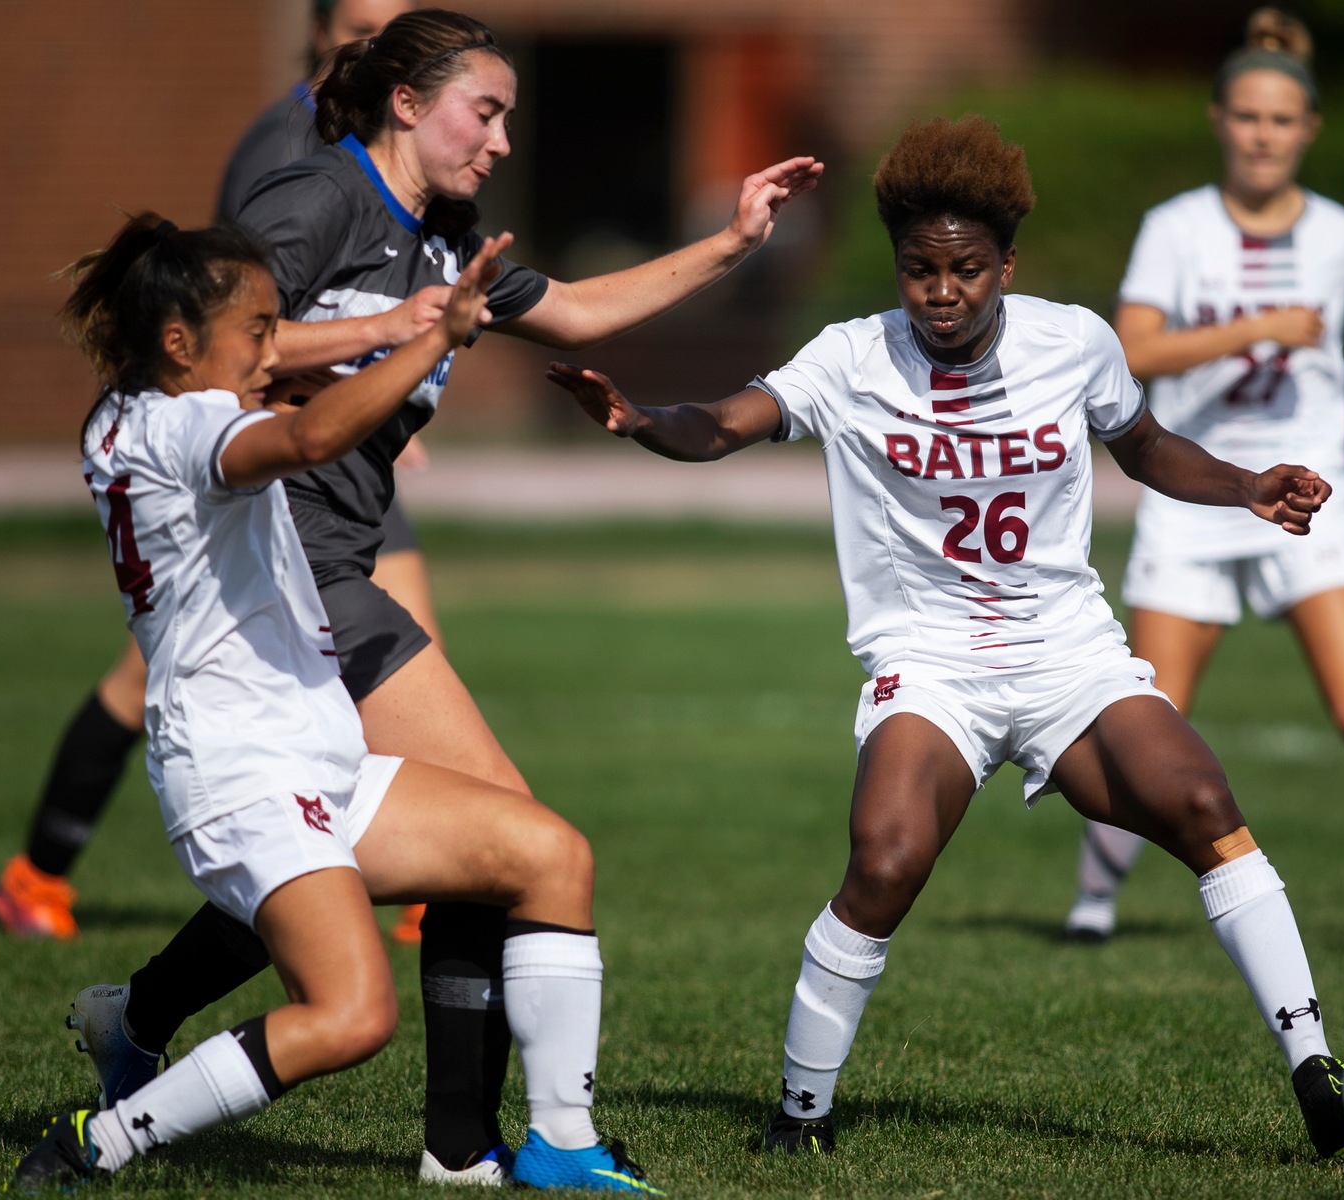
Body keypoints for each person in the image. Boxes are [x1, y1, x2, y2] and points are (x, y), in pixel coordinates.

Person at [68, 8, 823, 1186]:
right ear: (409, 106)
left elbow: (572, 310)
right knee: (500, 836)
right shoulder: (319, 198)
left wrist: (730, 241)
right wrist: (407, 334)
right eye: (489, 109)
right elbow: (246, 346)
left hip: (338, 569)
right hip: (287, 569)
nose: (506, 138)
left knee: (408, 843)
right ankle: (468, 1144)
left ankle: (145, 1021)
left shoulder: (447, 231)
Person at [549, 114, 1344, 1160]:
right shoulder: (851, 359)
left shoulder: (1075, 343)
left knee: (1205, 804)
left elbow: (1146, 446)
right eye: (919, 269)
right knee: (884, 863)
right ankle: (800, 1114)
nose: (941, 291)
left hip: (1071, 657)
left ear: (1006, 265)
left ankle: (1317, 1077)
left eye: (967, 270)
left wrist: (1250, 486)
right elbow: (728, 421)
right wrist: (643, 419)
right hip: (932, 667)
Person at [14, 214, 657, 1194]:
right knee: (352, 1017)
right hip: (240, 776)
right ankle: (97, 1142)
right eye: (261, 330)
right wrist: (436, 338)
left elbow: (286, 397)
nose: (276, 347)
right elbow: (310, 436)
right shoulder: (181, 426)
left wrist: (346, 351)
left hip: (312, 756)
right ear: (180, 343)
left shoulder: (138, 408)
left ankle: (561, 1142)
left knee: (546, 855)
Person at [1059, 8, 1344, 958]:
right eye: (1247, 116)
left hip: (1306, 495)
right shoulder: (1176, 228)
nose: (1263, 134)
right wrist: (1250, 328)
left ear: (1309, 130)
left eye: (1282, 119)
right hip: (1201, 492)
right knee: (1150, 713)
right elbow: (1131, 347)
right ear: (1219, 119)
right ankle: (1092, 910)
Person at [0, 0, 435, 947]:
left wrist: (391, 383)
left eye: (394, 20)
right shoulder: (290, 139)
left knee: (382, 644)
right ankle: (38, 873)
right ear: (316, 32)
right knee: (155, 669)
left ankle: (417, 864)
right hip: (262, 457)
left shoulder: (380, 142)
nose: (375, 36)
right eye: (358, 20)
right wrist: (382, 368)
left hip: (332, 462)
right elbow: (251, 322)